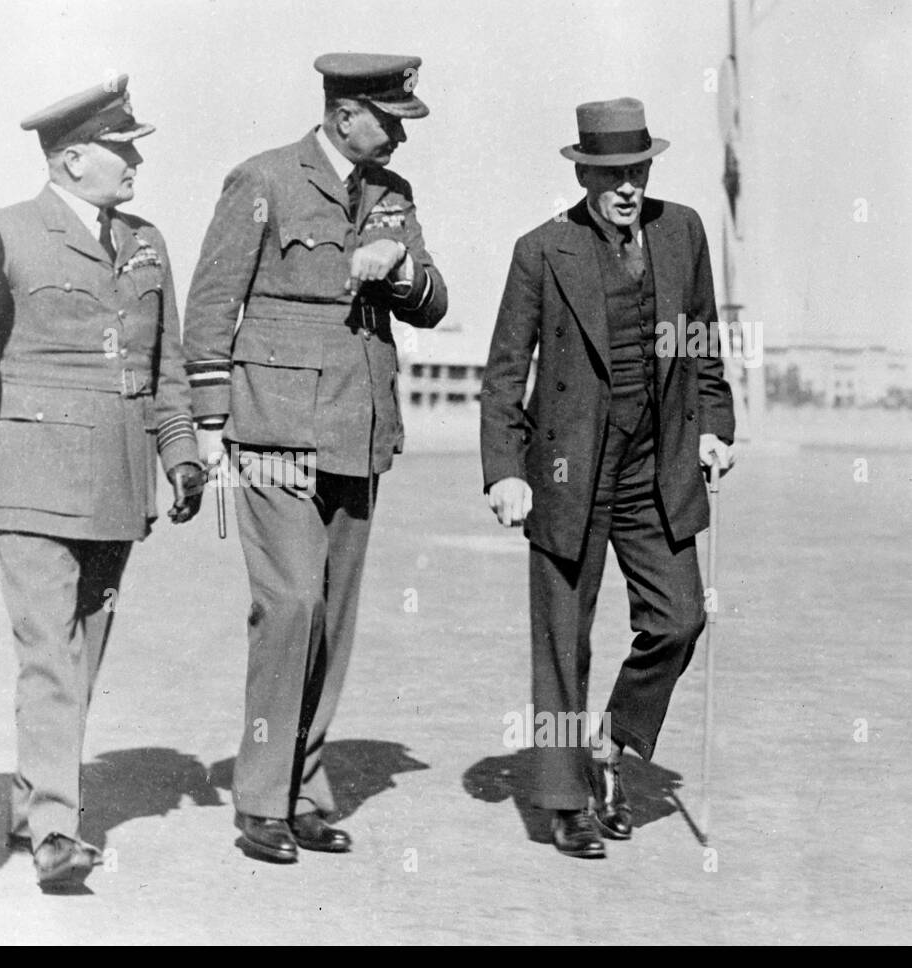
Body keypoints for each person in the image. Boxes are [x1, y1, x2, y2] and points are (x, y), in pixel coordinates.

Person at [182, 53, 447, 863]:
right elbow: (212, 303)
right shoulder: (263, 180)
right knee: (290, 605)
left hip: (358, 429)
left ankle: (303, 790)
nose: (401, 134)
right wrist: (208, 420)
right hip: (273, 429)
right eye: (390, 118)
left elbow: (435, 302)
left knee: (331, 618)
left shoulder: (393, 196)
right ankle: (262, 797)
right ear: (343, 116)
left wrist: (399, 268)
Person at [479, 98, 735, 859]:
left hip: (656, 468)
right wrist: (503, 471)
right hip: (566, 472)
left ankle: (613, 739)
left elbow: (702, 345)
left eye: (637, 170)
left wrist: (717, 427)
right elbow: (502, 375)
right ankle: (565, 802)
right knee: (563, 642)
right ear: (583, 172)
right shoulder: (542, 249)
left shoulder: (682, 231)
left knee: (680, 617)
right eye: (610, 173)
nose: (626, 187)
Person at [0, 75, 204, 892]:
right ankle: (55, 834)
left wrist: (181, 454)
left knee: (81, 656)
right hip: (33, 478)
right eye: (120, 149)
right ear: (71, 160)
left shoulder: (148, 241)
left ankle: (31, 802)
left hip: (118, 480)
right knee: (47, 652)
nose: (134, 161)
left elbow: (165, 363)